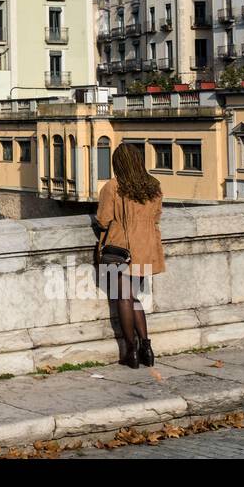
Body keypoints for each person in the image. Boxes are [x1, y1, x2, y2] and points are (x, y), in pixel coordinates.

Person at [96, 143, 166, 368]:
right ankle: (147, 348)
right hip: (145, 247)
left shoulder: (113, 187)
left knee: (123, 298)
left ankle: (131, 351)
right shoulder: (153, 186)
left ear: (118, 164)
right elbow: (156, 218)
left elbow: (103, 219)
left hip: (120, 249)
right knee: (134, 298)